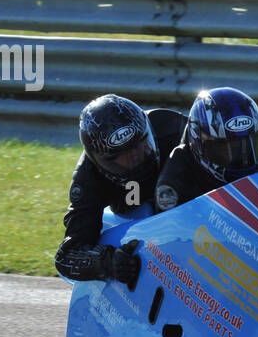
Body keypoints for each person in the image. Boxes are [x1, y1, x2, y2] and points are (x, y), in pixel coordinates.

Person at [55, 94, 186, 284]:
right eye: (121, 156)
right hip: (134, 214)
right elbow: (66, 256)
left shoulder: (175, 127)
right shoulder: (87, 178)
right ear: (99, 161)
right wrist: (108, 262)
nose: (135, 158)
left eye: (140, 146)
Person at [155, 88, 258, 211]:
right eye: (224, 149)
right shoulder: (177, 174)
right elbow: (167, 232)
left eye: (248, 146)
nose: (240, 156)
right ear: (199, 145)